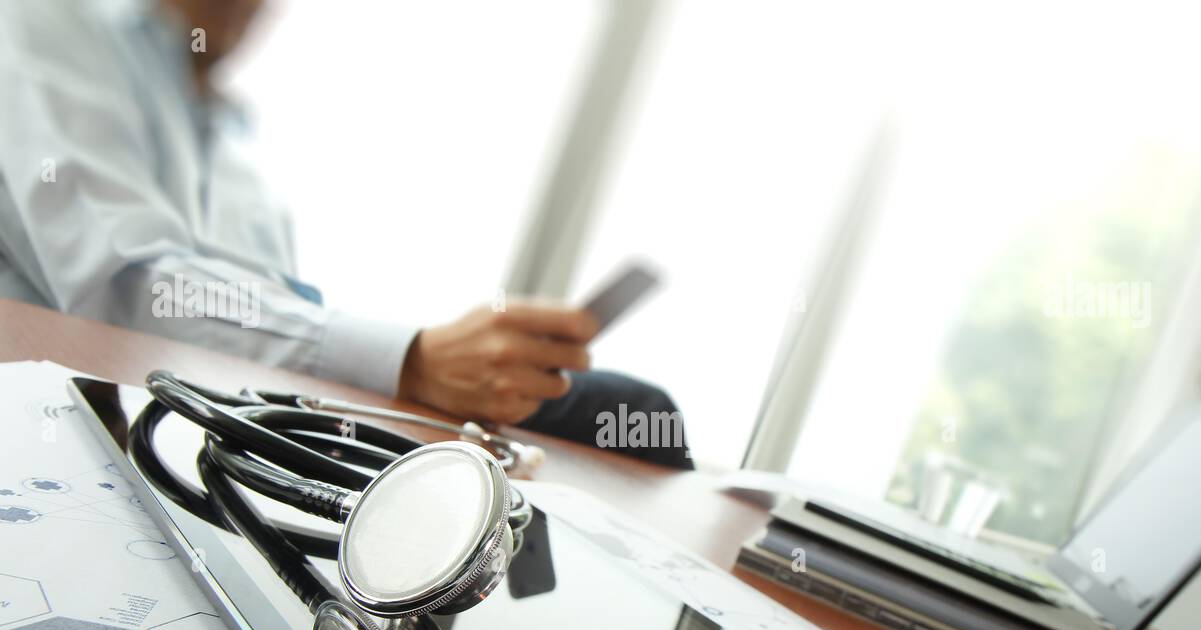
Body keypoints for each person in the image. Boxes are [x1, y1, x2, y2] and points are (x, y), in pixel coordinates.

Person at [0, 0, 691, 467]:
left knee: (627, 414)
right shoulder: (43, 24)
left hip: (212, 461)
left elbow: (266, 360)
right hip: (65, 453)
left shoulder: (234, 147)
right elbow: (124, 286)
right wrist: (413, 362)